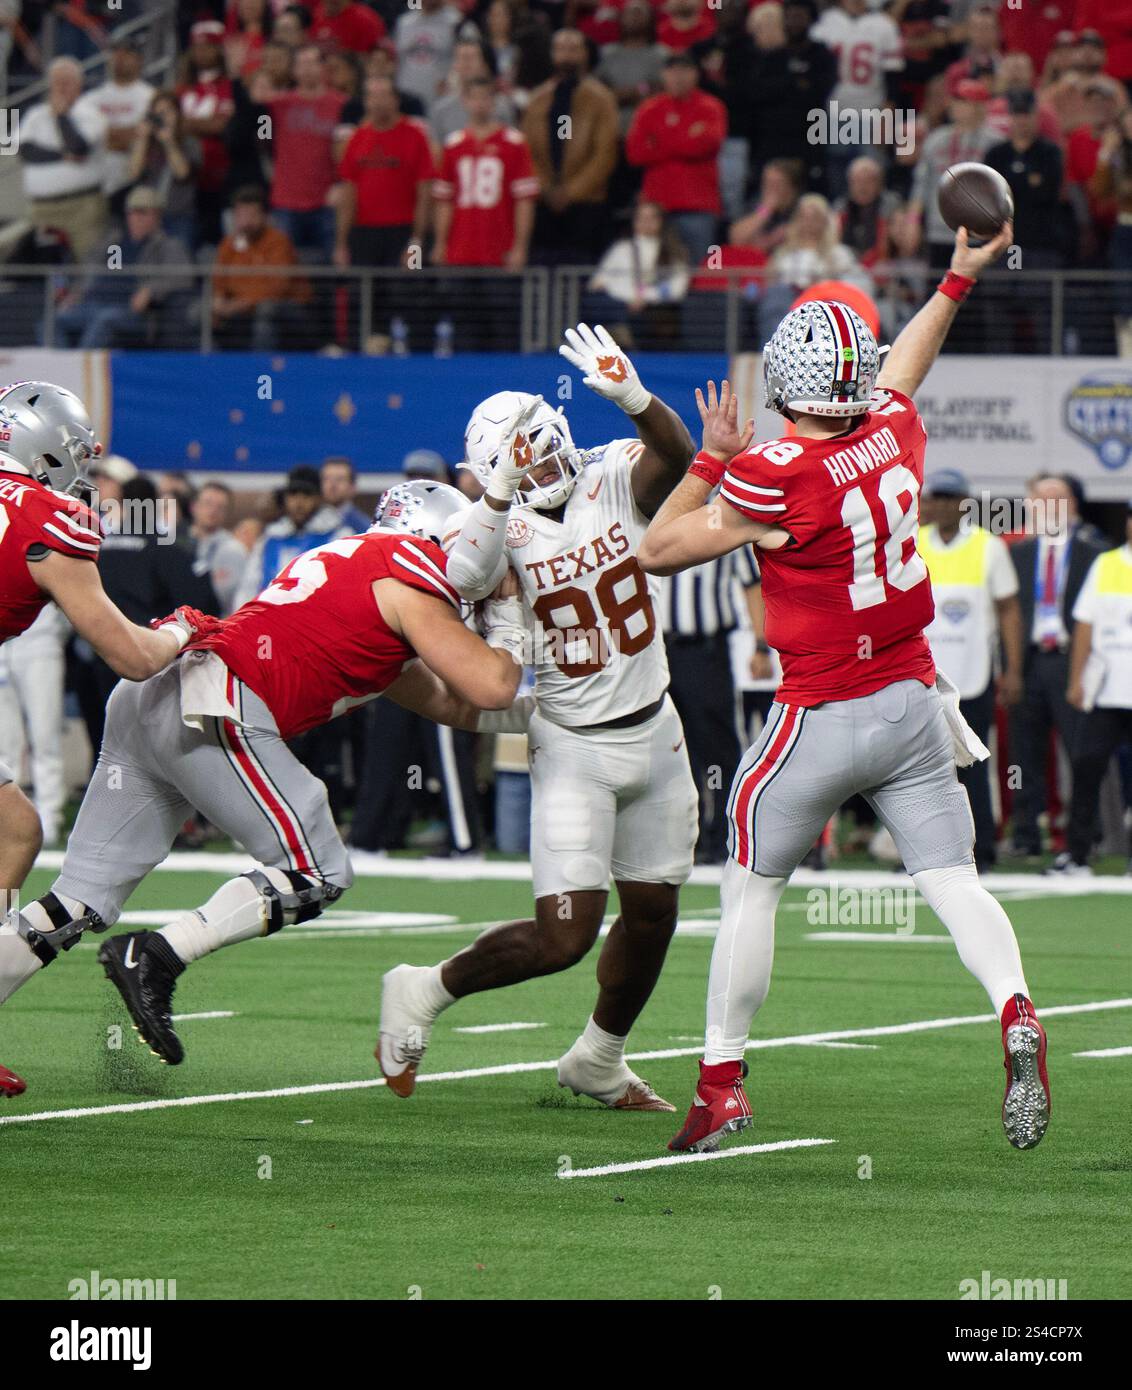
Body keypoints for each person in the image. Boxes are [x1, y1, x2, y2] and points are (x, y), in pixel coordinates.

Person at [637, 221, 1052, 1157]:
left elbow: (657, 550)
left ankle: (721, 1087)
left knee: (750, 884)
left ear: (786, 379)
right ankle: (1015, 1007)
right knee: (952, 880)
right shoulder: (894, 432)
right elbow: (905, 367)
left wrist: (708, 458)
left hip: (818, 712)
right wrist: (957, 277)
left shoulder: (776, 475)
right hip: (912, 703)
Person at [10, 482, 525, 1070]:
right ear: (438, 537)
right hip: (214, 709)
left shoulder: (358, 571)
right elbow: (493, 685)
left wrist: (559, 718)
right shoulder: (405, 569)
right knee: (317, 871)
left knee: (73, 903)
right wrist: (507, 614)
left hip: (155, 698)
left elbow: (460, 705)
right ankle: (156, 955)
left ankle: (142, 955)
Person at [378, 324, 699, 1114]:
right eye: (526, 461)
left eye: (551, 448)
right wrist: (494, 495)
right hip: (572, 743)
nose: (548, 467)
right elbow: (460, 572)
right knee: (564, 935)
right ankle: (424, 989)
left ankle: (600, 1058)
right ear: (494, 474)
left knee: (655, 911)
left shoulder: (610, 473)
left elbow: (677, 456)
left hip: (655, 727)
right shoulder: (492, 524)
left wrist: (635, 398)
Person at [0, 381, 218, 1098]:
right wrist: (183, 627)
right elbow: (130, 658)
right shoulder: (47, 517)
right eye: (73, 457)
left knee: (15, 832)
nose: (81, 473)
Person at [918, 469, 1023, 873]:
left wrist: (1012, 670)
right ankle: (926, 851)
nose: (941, 504)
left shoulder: (987, 546)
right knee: (920, 769)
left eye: (950, 497)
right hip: (922, 675)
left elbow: (1009, 610)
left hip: (972, 675)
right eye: (936, 497)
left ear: (965, 503)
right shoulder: (914, 543)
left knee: (975, 766)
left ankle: (985, 849)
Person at [1008, 474, 1109, 860]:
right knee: (1024, 755)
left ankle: (1087, 834)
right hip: (1029, 662)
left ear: (1074, 505)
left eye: (1058, 498)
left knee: (1081, 751)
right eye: (1041, 498)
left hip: (1073, 662)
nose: (1049, 506)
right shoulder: (1016, 553)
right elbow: (1008, 616)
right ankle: (1026, 835)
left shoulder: (1095, 552)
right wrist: (1010, 668)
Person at [659, 548, 760, 863]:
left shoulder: (723, 515)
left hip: (705, 651)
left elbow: (751, 583)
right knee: (668, 748)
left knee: (717, 748)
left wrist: (760, 644)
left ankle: (723, 836)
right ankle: (682, 836)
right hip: (658, 652)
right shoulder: (650, 514)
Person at [1059, 502, 1132, 875]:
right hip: (1106, 690)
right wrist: (1076, 680)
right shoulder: (1106, 564)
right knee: (1086, 768)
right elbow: (1084, 625)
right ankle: (1077, 855)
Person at [522, 28, 619, 267]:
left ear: (585, 54)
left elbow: (605, 153)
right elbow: (526, 150)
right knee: (543, 265)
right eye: (561, 49)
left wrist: (570, 191)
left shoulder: (602, 99)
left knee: (580, 267)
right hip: (544, 201)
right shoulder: (537, 99)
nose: (566, 56)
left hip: (587, 202)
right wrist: (545, 187)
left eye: (573, 49)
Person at [54, 186, 193, 349]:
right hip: (94, 303)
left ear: (157, 215)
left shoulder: (167, 245)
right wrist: (76, 292)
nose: (135, 217)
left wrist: (150, 290)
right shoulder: (114, 242)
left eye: (142, 212)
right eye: (131, 212)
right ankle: (61, 369)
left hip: (130, 310)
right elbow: (89, 269)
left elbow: (183, 276)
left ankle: (79, 368)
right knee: (54, 321)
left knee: (104, 319)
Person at [625, 53, 727, 267]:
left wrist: (659, 141)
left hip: (698, 207)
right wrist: (686, 137)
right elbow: (635, 153)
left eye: (684, 71)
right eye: (672, 72)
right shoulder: (649, 109)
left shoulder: (711, 107)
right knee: (651, 269)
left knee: (699, 271)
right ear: (664, 75)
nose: (678, 77)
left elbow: (708, 144)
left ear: (696, 75)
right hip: (656, 208)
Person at [19, 56, 108, 259]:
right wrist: (62, 155)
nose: (60, 87)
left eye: (66, 82)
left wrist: (61, 116)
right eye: (56, 82)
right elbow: (26, 151)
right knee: (44, 265)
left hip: (82, 206)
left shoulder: (90, 113)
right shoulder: (36, 113)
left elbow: (77, 148)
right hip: (41, 208)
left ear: (79, 84)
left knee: (89, 260)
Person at [235, 465, 354, 608]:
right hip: (267, 622)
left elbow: (345, 591)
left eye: (306, 495)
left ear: (318, 498)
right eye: (293, 494)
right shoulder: (270, 539)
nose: (299, 502)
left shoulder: (339, 537)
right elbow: (248, 589)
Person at [212, 185, 309, 350]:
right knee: (199, 313)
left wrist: (240, 304)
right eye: (240, 215)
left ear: (264, 216)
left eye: (251, 215)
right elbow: (219, 279)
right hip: (239, 307)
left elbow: (277, 288)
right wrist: (218, 300)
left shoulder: (278, 242)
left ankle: (260, 370)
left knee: (266, 310)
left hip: (286, 307)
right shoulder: (229, 243)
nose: (246, 222)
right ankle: (212, 369)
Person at [584, 199, 689, 348]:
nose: (646, 222)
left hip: (653, 310)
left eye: (651, 217)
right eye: (641, 217)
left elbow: (676, 289)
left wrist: (644, 297)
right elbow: (599, 282)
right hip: (621, 305)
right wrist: (632, 297)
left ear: (661, 221)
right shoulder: (621, 248)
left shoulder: (673, 252)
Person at [87, 34, 155, 221]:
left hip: (131, 184)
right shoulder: (92, 98)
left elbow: (142, 139)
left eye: (126, 53)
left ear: (139, 59)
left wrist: (107, 135)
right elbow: (82, 140)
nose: (119, 58)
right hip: (94, 184)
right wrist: (125, 134)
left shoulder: (150, 96)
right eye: (115, 53)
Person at [126, 89, 202, 250]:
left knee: (177, 258)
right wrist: (142, 140)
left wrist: (169, 143)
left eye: (168, 111)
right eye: (159, 113)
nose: (164, 117)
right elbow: (133, 174)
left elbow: (182, 173)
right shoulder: (145, 144)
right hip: (146, 215)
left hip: (178, 215)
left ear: (178, 115)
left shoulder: (190, 143)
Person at [189, 482, 248, 616]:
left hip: (216, 621)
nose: (213, 511)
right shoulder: (176, 542)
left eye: (220, 507)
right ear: (194, 507)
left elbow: (230, 595)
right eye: (208, 504)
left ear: (227, 513)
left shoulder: (234, 550)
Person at [320, 458, 369, 534]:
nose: (332, 485)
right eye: (327, 479)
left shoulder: (363, 527)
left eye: (340, 479)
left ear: (352, 487)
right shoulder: (307, 523)